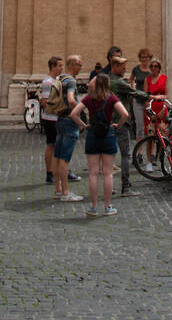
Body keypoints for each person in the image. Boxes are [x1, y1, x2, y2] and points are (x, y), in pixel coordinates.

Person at [71, 75, 129, 217]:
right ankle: (108, 206)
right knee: (108, 173)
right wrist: (118, 125)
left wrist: (85, 126)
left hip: (93, 135)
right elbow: (125, 114)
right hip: (108, 134)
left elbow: (74, 114)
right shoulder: (111, 98)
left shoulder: (89, 98)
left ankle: (93, 206)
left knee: (93, 174)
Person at [108, 55, 149, 197]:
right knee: (125, 154)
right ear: (115, 67)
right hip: (120, 121)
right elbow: (135, 93)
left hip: (108, 121)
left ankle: (109, 187)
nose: (125, 70)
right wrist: (150, 96)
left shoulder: (106, 79)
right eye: (123, 67)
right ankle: (126, 187)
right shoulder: (119, 82)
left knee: (108, 156)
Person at [49, 54, 84, 202]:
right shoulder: (70, 81)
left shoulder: (61, 78)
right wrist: (80, 110)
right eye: (79, 65)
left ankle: (58, 189)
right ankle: (66, 192)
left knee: (57, 156)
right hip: (70, 120)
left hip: (60, 119)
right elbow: (70, 100)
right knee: (64, 159)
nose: (81, 68)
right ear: (73, 65)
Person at [39, 55, 63, 185]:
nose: (61, 68)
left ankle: (60, 170)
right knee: (51, 145)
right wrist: (59, 110)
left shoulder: (57, 80)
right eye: (59, 66)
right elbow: (45, 103)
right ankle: (50, 173)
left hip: (57, 118)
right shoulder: (48, 82)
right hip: (51, 119)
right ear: (53, 67)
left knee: (58, 146)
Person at [143, 59, 167, 169]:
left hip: (161, 109)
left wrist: (161, 101)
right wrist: (149, 109)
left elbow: (166, 95)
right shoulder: (147, 79)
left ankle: (158, 157)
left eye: (155, 66)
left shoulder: (164, 78)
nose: (153, 68)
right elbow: (146, 96)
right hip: (151, 109)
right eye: (151, 66)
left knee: (162, 136)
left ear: (159, 67)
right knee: (150, 136)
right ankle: (149, 161)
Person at [131, 49, 153, 139]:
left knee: (150, 126)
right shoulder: (136, 69)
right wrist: (133, 89)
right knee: (139, 126)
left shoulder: (152, 70)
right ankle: (139, 150)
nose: (144, 59)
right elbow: (131, 79)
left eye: (146, 57)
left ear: (149, 58)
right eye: (142, 57)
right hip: (138, 100)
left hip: (149, 101)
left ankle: (150, 148)